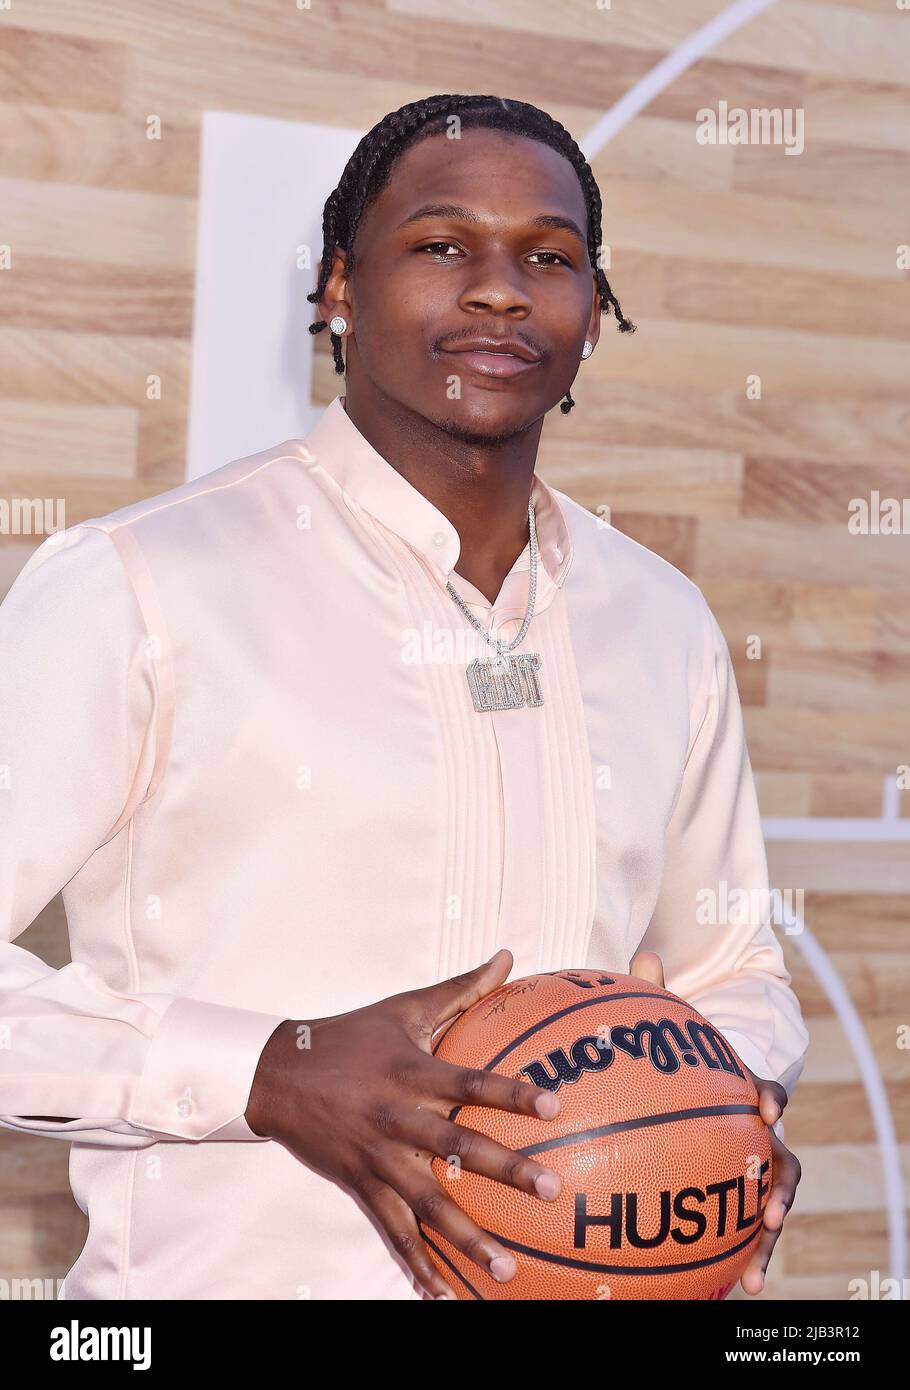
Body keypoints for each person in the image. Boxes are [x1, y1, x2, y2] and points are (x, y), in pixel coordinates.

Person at [0, 94, 808, 1301]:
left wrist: (708, 1110)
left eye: (549, 256)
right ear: (336, 287)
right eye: (441, 245)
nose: (499, 290)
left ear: (593, 313)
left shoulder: (663, 620)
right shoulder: (141, 583)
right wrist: (263, 1071)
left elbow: (729, 962)